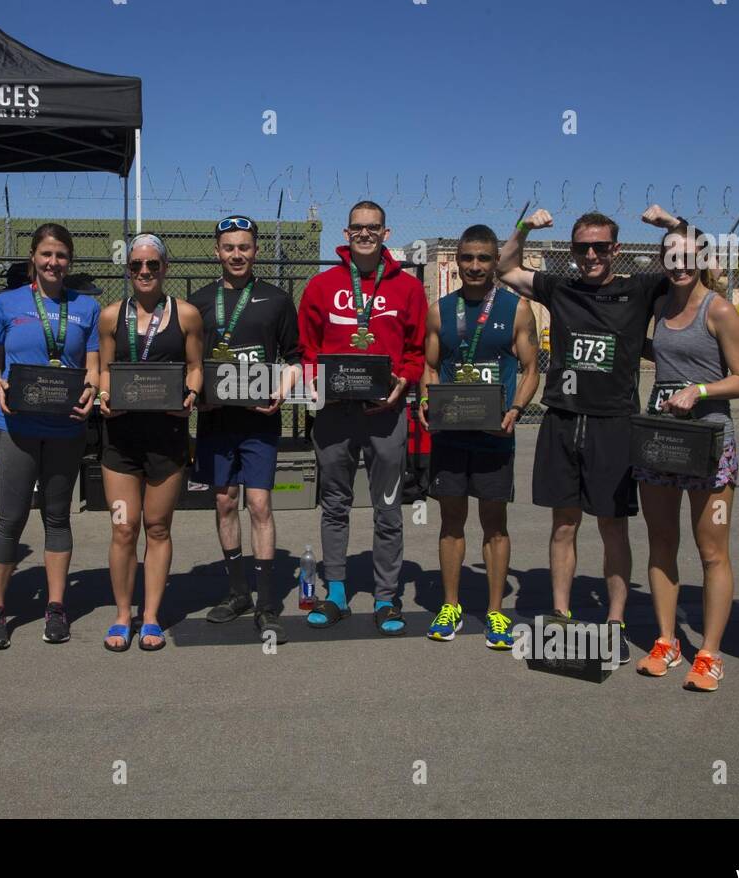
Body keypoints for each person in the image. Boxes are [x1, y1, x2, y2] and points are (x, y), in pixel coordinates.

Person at [496, 209, 669, 664]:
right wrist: (524, 228)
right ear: (571, 252)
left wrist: (672, 224)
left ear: (616, 248)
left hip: (614, 423)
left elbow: (693, 256)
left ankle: (615, 621)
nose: (590, 255)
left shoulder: (639, 288)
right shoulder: (561, 288)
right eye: (581, 247)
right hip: (564, 419)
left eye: (599, 246)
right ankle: (560, 614)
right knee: (564, 524)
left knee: (613, 525)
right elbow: (506, 268)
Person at [632, 206, 739, 691]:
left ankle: (710, 652)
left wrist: (700, 391)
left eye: (688, 257)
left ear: (703, 258)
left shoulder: (719, 309)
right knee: (662, 543)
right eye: (671, 257)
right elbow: (655, 350)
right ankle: (667, 641)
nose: (680, 265)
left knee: (712, 552)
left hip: (709, 444)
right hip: (661, 440)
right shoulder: (660, 305)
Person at [297, 201, 427, 636]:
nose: (365, 234)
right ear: (346, 232)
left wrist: (403, 382)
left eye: (373, 228)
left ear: (386, 233)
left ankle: (386, 598)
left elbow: (415, 351)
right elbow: (308, 347)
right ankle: (335, 592)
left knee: (388, 506)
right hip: (336, 413)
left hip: (386, 414)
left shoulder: (407, 288)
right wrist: (316, 382)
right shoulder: (322, 285)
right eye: (358, 228)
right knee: (335, 504)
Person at [417, 225, 539, 647]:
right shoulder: (440, 310)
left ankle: (495, 612)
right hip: (451, 432)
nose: (474, 266)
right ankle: (450, 606)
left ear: (494, 262)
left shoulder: (516, 308)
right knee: (451, 522)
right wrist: (424, 398)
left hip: (494, 432)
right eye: (467, 258)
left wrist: (516, 410)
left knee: (495, 523)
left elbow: (531, 369)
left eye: (483, 258)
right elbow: (429, 366)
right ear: (456, 259)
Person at [0, 224, 100, 650]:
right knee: (10, 519)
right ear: (33, 256)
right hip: (16, 426)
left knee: (57, 517)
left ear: (70, 261)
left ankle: (55, 606)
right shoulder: (5, 303)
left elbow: (92, 366)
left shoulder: (85, 307)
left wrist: (92, 391)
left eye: (62, 256)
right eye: (46, 254)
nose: (54, 263)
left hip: (66, 425)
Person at [191, 216, 301, 641]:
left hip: (259, 421)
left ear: (255, 251)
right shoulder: (198, 302)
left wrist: (281, 393)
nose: (237, 254)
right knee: (223, 502)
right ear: (216, 252)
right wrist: (197, 394)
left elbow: (294, 357)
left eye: (245, 247)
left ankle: (268, 601)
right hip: (217, 419)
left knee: (259, 505)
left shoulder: (276, 299)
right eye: (229, 247)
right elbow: (192, 364)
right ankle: (238, 592)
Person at [97, 234, 204, 652]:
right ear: (128, 270)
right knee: (124, 528)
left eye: (152, 265)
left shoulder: (187, 314)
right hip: (121, 443)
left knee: (157, 527)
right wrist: (105, 396)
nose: (144, 272)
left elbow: (196, 368)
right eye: (137, 266)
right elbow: (104, 370)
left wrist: (191, 396)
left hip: (168, 440)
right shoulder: (110, 317)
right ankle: (123, 615)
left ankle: (152, 617)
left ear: (165, 268)